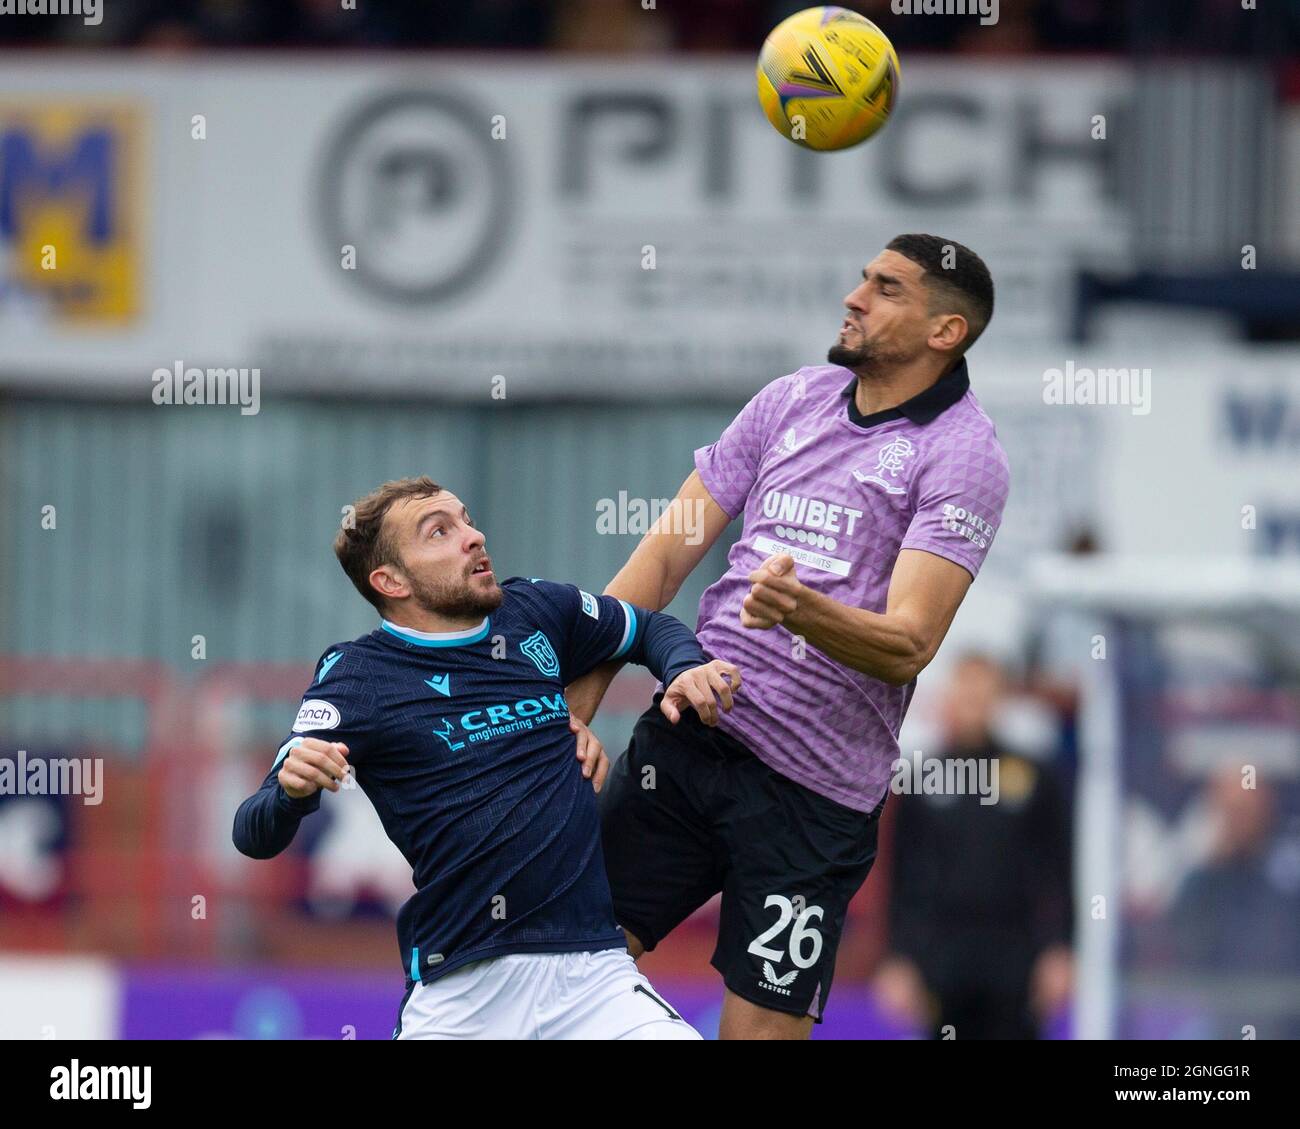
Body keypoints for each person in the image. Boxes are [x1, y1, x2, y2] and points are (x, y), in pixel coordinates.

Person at [568, 234, 1011, 1039]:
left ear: (946, 331)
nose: (855, 296)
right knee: (561, 970)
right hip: (692, 740)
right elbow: (664, 553)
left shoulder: (963, 454)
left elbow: (910, 641)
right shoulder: (791, 399)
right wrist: (579, 703)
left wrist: (800, 608)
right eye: (861, 278)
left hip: (813, 801)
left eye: (886, 288)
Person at [233, 476, 740, 1040]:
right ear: (390, 580)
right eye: (440, 532)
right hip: (460, 993)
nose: (472, 537)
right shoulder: (358, 677)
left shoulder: (534, 611)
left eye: (466, 520)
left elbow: (645, 626)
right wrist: (290, 793)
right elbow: (253, 834)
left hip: (594, 977)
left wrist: (683, 668)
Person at [874, 654, 1074, 1040]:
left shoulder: (1033, 777)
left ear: (999, 699)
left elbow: (1059, 871)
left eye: (984, 693)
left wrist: (1060, 949)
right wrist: (897, 958)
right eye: (966, 691)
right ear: (949, 696)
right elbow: (900, 878)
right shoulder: (922, 779)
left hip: (1015, 955)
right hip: (943, 957)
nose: (974, 702)